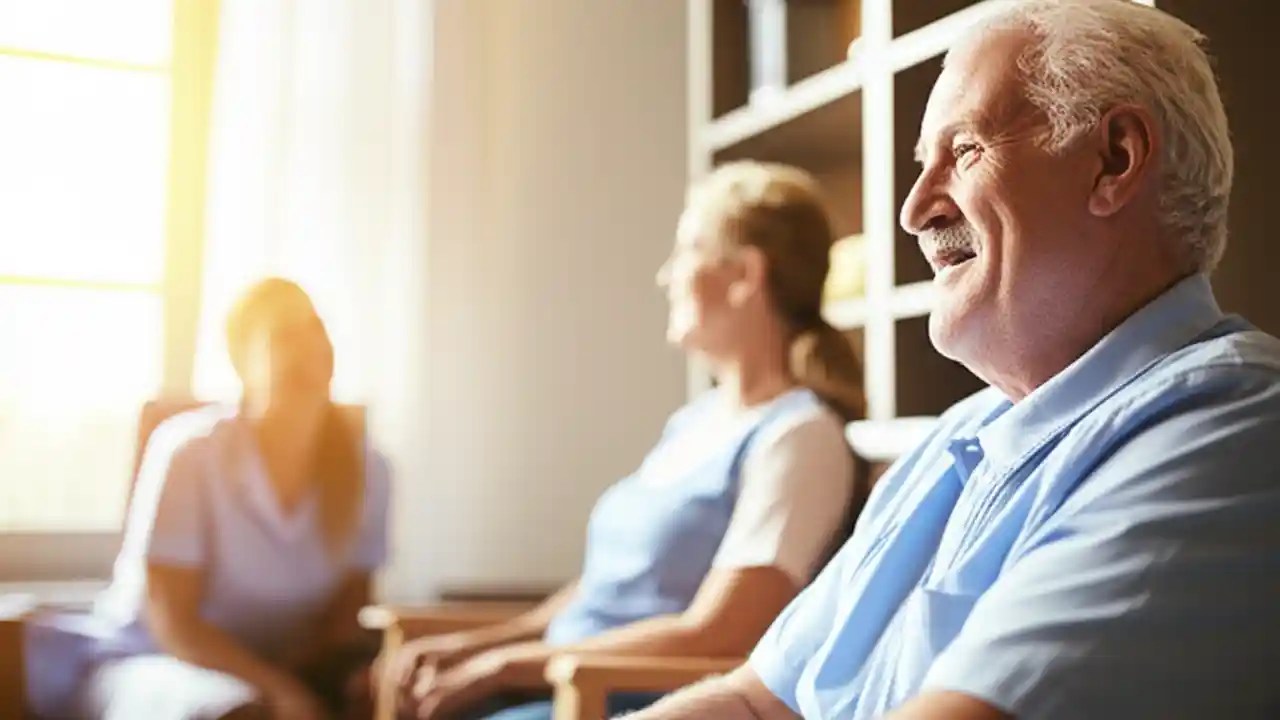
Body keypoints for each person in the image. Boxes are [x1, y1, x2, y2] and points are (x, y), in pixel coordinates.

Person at [627, 1, 1280, 719]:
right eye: (920, 164)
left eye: (964, 150)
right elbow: (754, 700)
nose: (913, 210)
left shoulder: (1232, 425)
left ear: (1114, 160)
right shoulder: (954, 437)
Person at [387, 162, 867, 720]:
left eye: (687, 249)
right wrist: (485, 645)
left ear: (744, 275)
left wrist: (506, 666)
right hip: (553, 683)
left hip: (617, 700)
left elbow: (718, 634)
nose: (667, 275)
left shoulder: (800, 437)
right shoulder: (695, 423)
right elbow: (602, 593)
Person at [24, 278, 392, 720]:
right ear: (241, 359)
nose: (308, 348)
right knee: (231, 711)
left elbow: (347, 610)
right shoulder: (188, 452)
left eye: (316, 329)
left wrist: (311, 680)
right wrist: (277, 690)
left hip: (284, 670)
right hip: (155, 661)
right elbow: (174, 623)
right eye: (284, 334)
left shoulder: (370, 468)